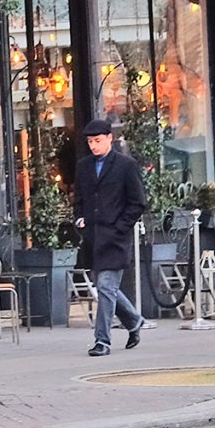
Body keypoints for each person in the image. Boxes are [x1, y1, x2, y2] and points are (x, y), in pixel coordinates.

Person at [73, 118, 146, 357]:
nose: (93, 146)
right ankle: (134, 320)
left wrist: (120, 227)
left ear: (109, 139)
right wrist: (79, 219)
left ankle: (102, 341)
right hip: (93, 238)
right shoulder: (84, 166)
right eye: (90, 142)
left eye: (97, 141)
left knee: (105, 286)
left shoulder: (126, 165)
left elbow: (137, 203)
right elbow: (80, 199)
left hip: (115, 238)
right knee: (106, 288)